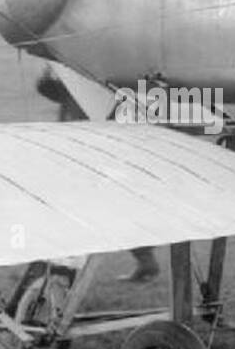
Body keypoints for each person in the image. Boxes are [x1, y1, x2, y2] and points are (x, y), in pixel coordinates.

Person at [36, 65, 160, 283]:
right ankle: (145, 261)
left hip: (93, 146)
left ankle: (66, 271)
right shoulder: (77, 76)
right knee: (116, 205)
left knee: (88, 208)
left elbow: (46, 87)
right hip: (87, 144)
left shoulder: (92, 75)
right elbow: (46, 88)